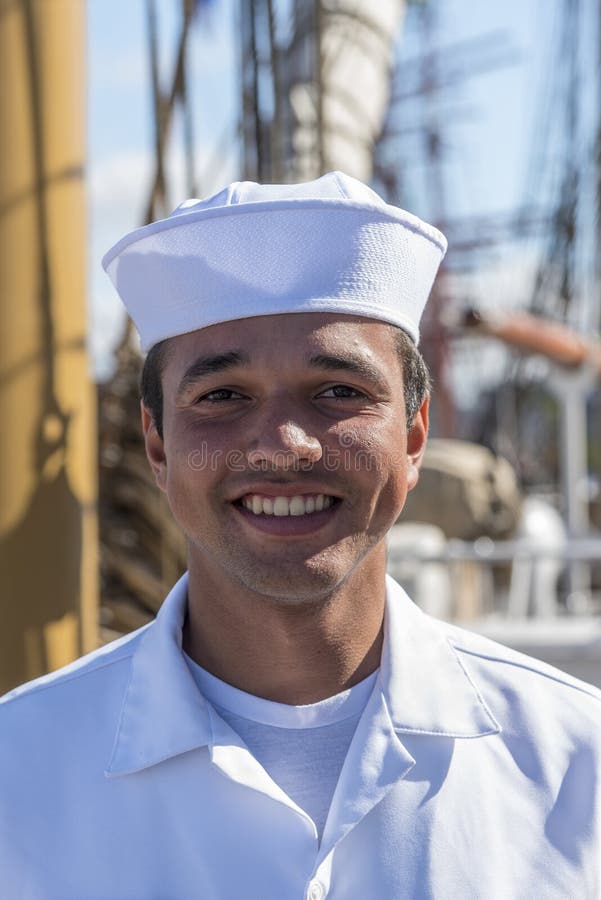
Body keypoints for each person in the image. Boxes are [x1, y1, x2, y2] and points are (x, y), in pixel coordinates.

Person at [1, 173, 599, 900]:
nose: (284, 446)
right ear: (157, 446)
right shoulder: (19, 772)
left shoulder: (578, 766)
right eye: (222, 396)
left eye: (338, 392)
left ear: (413, 436)